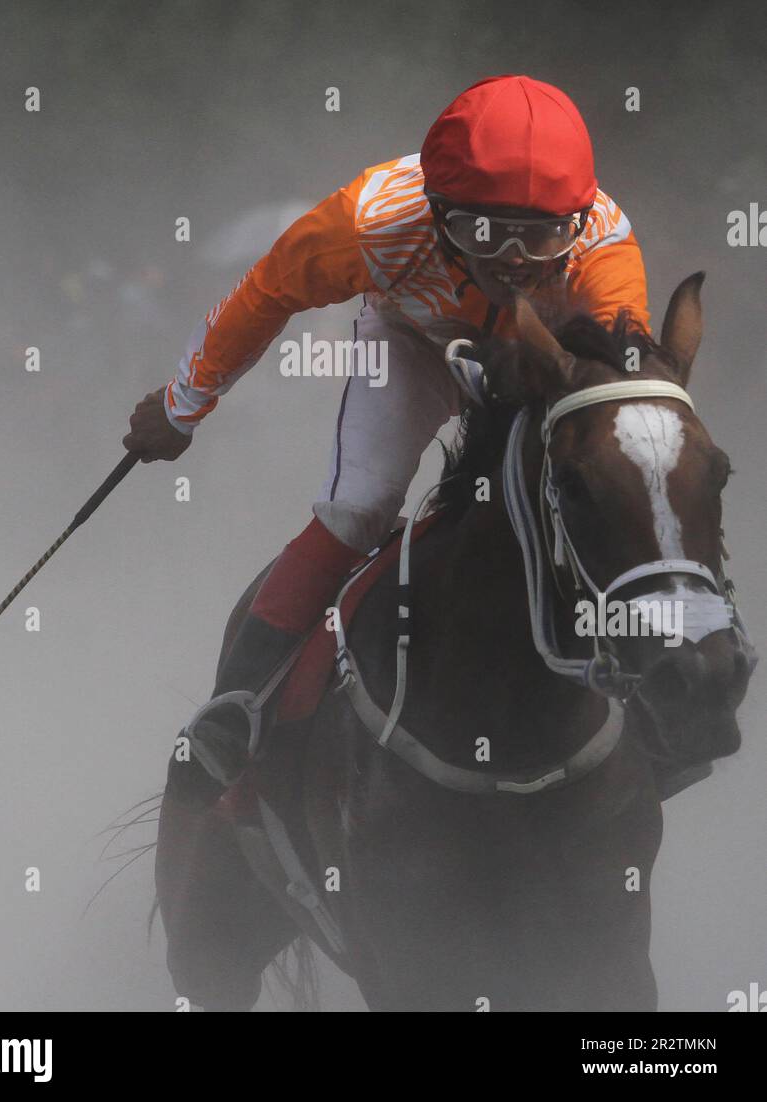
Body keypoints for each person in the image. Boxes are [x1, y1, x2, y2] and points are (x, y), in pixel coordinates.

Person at [124, 74, 649, 808]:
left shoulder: (604, 248)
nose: (516, 261)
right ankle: (235, 709)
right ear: (436, 214)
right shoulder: (372, 220)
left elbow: (620, 400)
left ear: (579, 218)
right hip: (413, 338)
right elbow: (264, 295)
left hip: (543, 359)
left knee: (607, 490)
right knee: (359, 504)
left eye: (542, 235)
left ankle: (661, 688)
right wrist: (183, 406)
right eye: (484, 233)